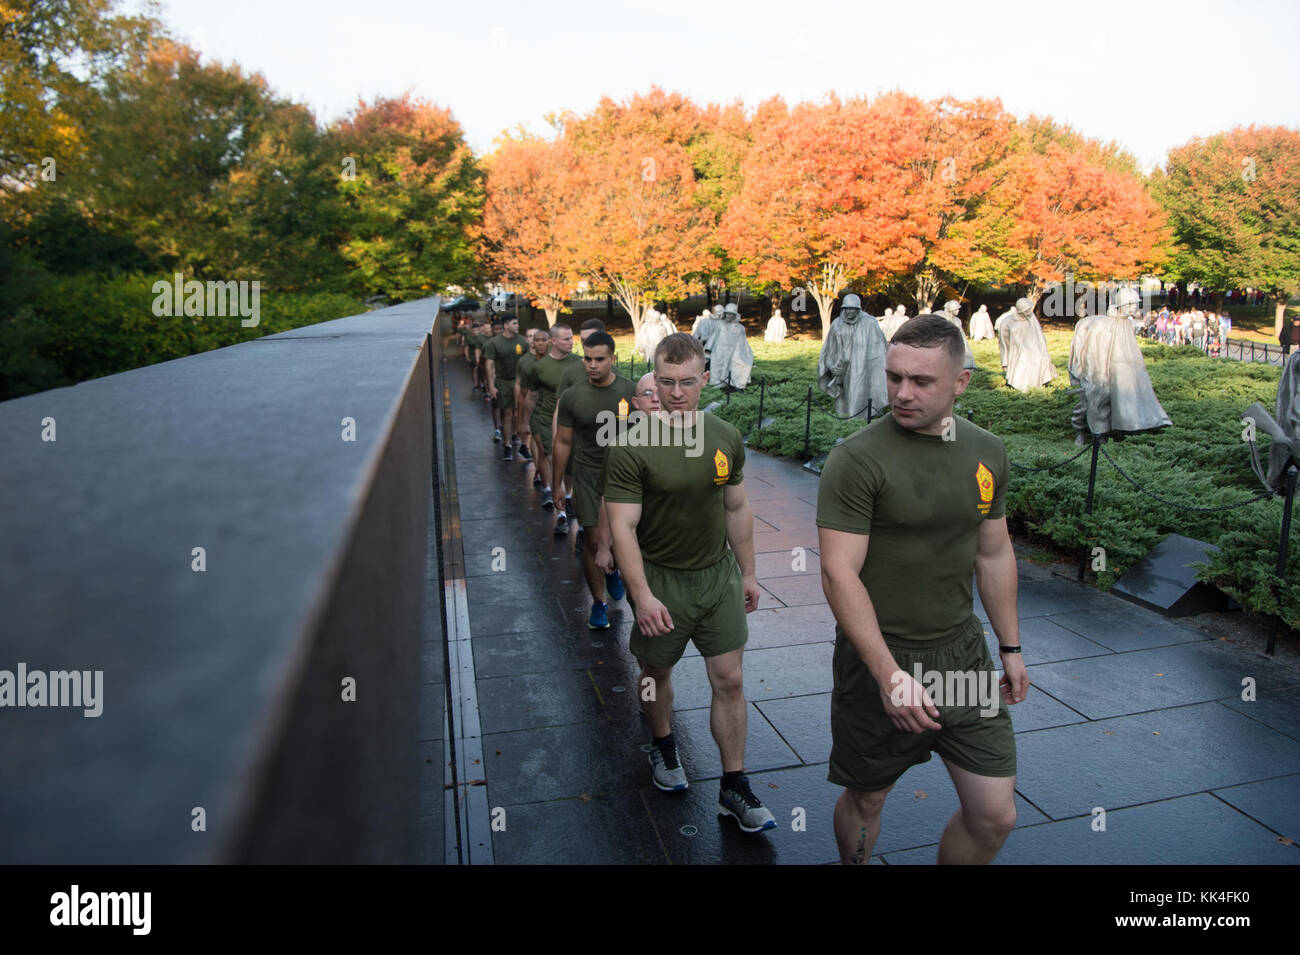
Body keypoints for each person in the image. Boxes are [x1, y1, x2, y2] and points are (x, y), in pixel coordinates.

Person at [816, 314, 1028, 865]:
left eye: (921, 381)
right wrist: (889, 677)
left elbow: (993, 551)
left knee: (994, 814)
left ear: (961, 382)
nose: (901, 393)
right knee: (868, 797)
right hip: (878, 658)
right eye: (893, 377)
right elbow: (839, 573)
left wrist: (1010, 647)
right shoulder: (856, 459)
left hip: (962, 656)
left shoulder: (987, 451)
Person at [604, 333, 776, 833]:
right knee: (656, 675)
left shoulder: (724, 435)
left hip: (716, 577)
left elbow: (737, 506)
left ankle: (734, 786)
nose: (676, 393)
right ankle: (662, 747)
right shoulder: (632, 444)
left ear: (704, 379)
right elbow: (622, 527)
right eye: (665, 382)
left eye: (686, 382)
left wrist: (748, 572)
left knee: (730, 680)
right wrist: (641, 595)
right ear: (653, 381)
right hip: (660, 579)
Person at [552, 332, 637, 630]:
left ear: (613, 358)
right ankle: (599, 603)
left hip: (624, 476)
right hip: (587, 474)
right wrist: (557, 483)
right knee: (592, 539)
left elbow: (649, 435)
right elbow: (562, 442)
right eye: (587, 358)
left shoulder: (630, 390)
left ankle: (613, 568)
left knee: (619, 538)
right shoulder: (573, 396)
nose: (592, 365)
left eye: (599, 359)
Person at [519, 324, 582, 514]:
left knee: (569, 462)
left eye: (572, 338)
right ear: (553, 341)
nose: (571, 342)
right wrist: (523, 421)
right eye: (566, 339)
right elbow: (530, 396)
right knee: (550, 455)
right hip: (545, 418)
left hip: (572, 421)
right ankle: (551, 491)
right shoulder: (538, 367)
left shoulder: (580, 363)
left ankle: (568, 495)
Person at [817, 293, 888, 420]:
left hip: (862, 368)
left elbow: (880, 351)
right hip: (842, 369)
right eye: (847, 308)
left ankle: (858, 421)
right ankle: (844, 422)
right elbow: (828, 351)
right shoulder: (837, 325)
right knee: (843, 399)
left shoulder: (869, 324)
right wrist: (832, 367)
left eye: (853, 309)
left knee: (859, 394)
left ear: (858, 309)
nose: (849, 311)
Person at [483, 316, 530, 460]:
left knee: (521, 414)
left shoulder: (522, 341)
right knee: (507, 414)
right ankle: (507, 446)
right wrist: (491, 386)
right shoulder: (494, 343)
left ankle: (523, 445)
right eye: (514, 323)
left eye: (518, 323)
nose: (517, 325)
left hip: (520, 382)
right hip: (503, 382)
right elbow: (489, 365)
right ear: (506, 325)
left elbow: (529, 362)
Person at [515, 328, 550, 480]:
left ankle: (544, 471)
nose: (540, 343)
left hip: (552, 409)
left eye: (544, 339)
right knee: (539, 445)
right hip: (535, 409)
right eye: (537, 340)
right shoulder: (525, 362)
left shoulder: (555, 360)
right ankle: (542, 475)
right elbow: (523, 392)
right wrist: (521, 418)